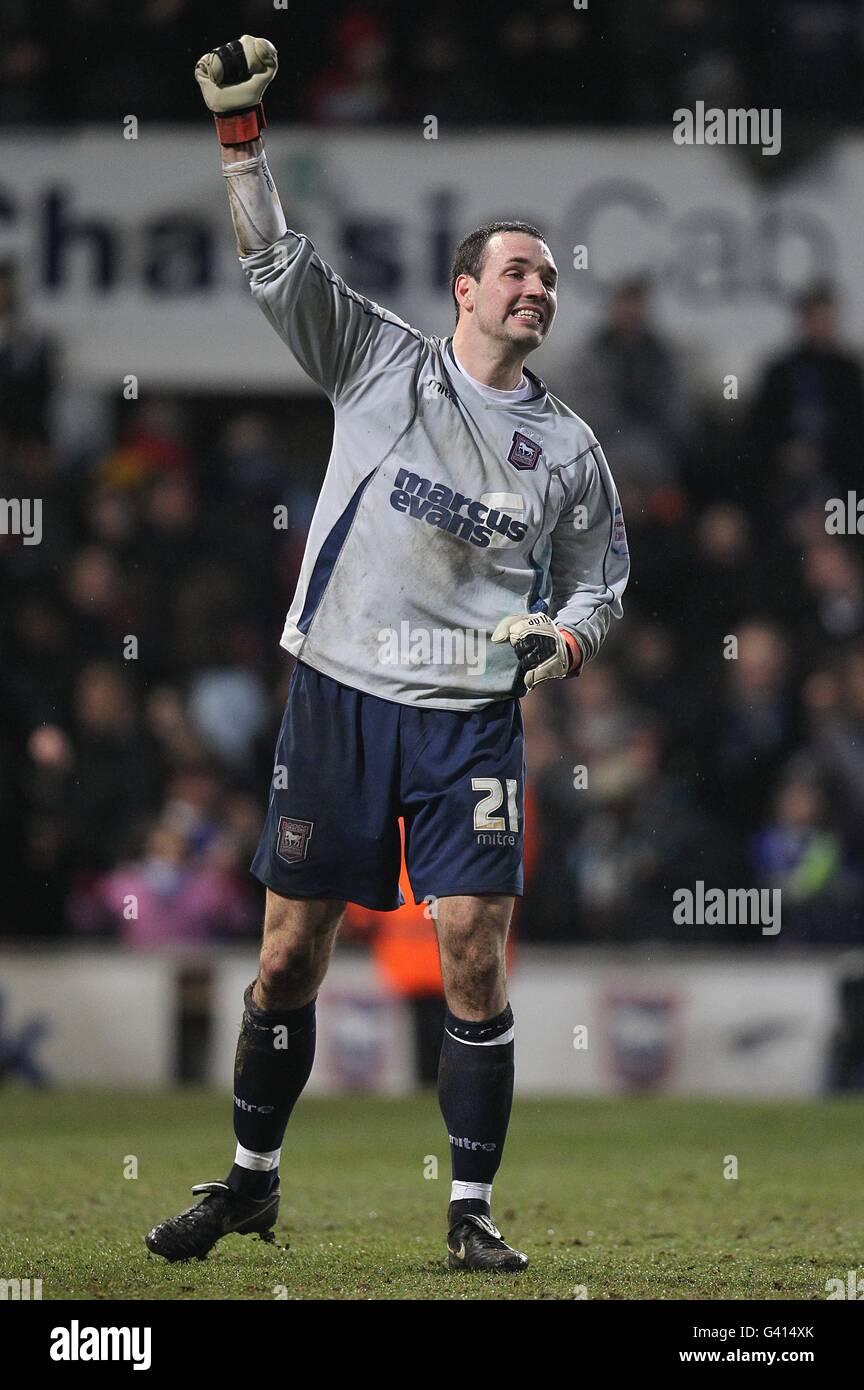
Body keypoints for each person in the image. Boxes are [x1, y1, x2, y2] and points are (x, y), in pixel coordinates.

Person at [145, 34, 629, 1273]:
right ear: (463, 290)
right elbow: (274, 259)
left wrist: (565, 641)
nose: (539, 289)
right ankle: (252, 1183)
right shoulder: (377, 360)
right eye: (517, 271)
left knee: (471, 942)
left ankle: (469, 1209)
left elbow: (602, 582)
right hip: (340, 700)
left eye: (550, 279)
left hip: (467, 716)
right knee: (287, 954)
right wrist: (242, 142)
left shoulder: (569, 450)